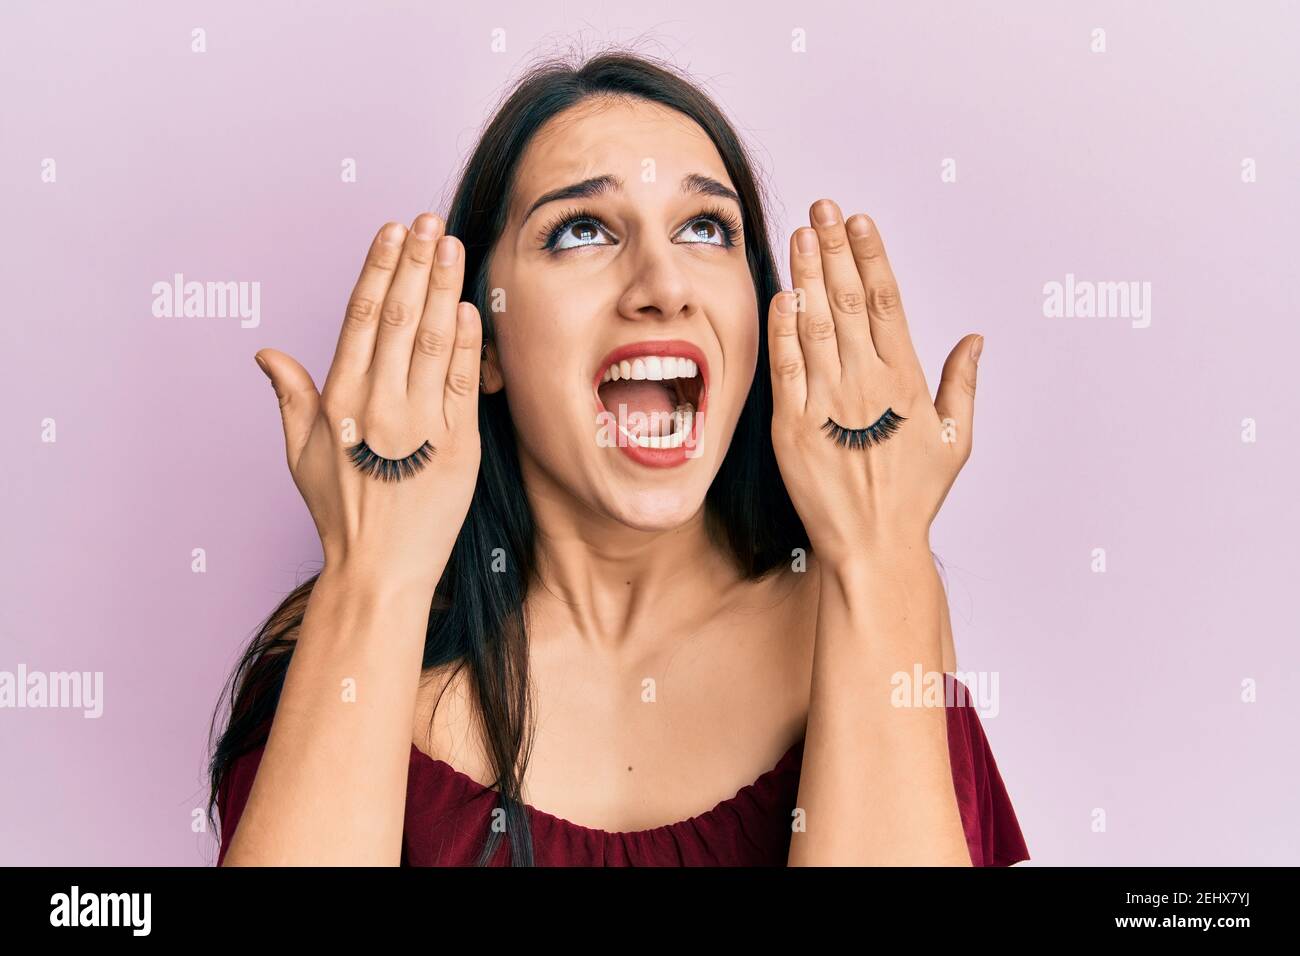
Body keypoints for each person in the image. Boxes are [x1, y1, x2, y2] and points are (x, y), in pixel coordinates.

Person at [208, 49, 1029, 867]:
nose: (663, 283)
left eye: (706, 228)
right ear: (480, 338)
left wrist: (880, 551)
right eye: (581, 231)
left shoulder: (867, 602)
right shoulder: (353, 627)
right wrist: (374, 572)